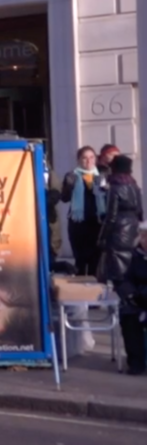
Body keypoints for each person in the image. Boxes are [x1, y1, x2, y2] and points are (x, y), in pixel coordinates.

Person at [98, 155, 142, 288]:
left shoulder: (115, 187)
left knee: (117, 269)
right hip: (132, 227)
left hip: (118, 230)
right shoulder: (135, 186)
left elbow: (111, 216)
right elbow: (140, 211)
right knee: (129, 265)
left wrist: (102, 237)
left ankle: (120, 295)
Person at [61, 146, 106, 276]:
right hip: (78, 223)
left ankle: (93, 286)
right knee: (80, 260)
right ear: (79, 160)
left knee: (95, 261)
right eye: (84, 158)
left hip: (97, 222)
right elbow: (64, 198)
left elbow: (109, 199)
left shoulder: (102, 176)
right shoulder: (72, 175)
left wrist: (104, 187)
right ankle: (80, 285)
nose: (88, 161)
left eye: (91, 157)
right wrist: (69, 186)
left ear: (95, 159)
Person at [114, 223, 147, 375]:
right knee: (129, 317)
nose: (145, 240)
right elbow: (123, 280)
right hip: (137, 300)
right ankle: (136, 363)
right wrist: (132, 295)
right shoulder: (132, 256)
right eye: (143, 236)